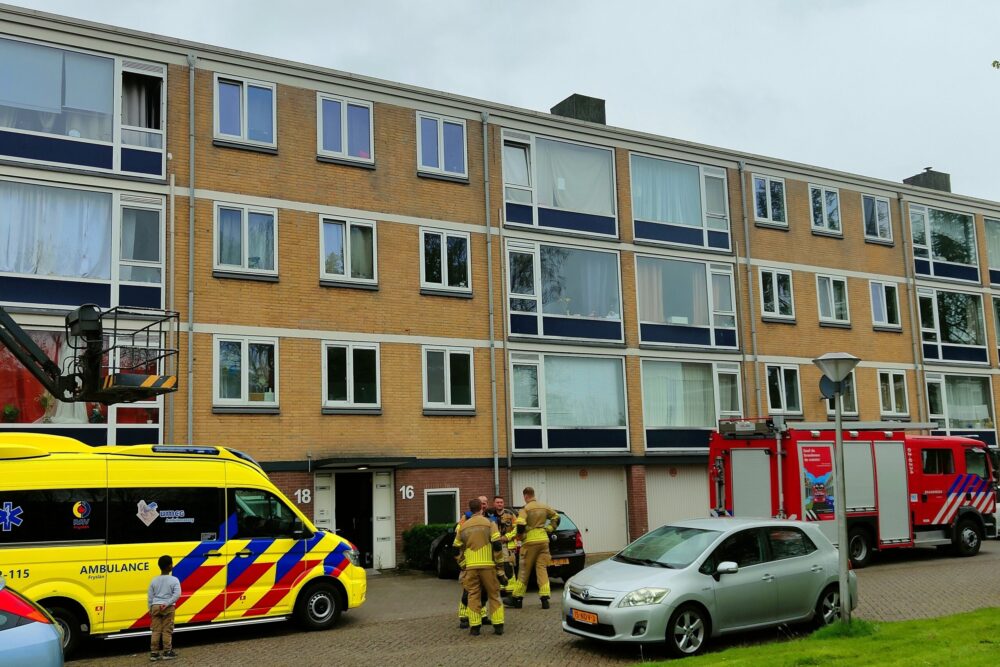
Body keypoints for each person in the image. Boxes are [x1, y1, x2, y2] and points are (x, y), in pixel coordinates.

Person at [453, 498, 505, 635]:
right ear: (482, 509)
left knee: (473, 595)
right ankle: (498, 624)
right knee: (493, 594)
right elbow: (497, 545)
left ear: (470, 510)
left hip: (471, 567)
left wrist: (463, 564)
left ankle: (475, 626)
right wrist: (499, 565)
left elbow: (456, 548)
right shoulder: (490, 523)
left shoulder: (463, 526)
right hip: (488, 565)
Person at [505, 486, 559, 609]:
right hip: (543, 540)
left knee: (524, 570)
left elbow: (520, 524)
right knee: (542, 569)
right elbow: (557, 517)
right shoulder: (544, 506)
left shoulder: (525, 509)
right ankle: (545, 599)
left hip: (530, 542)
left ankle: (517, 599)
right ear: (534, 495)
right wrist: (550, 528)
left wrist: (519, 536)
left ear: (526, 496)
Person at [148, 554, 181, 661]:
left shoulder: (154, 580)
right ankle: (167, 652)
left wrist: (150, 609)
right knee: (167, 630)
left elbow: (150, 596)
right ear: (170, 566)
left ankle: (154, 653)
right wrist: (167, 603)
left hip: (155, 606)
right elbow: (177, 595)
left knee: (156, 630)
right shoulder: (174, 580)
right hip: (168, 607)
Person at [486, 495, 518, 597]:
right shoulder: (489, 514)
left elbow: (517, 528)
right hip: (494, 546)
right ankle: (500, 588)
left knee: (508, 567)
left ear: (503, 503)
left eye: (501, 502)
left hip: (507, 545)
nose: (499, 504)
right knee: (496, 566)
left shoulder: (510, 514)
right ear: (493, 503)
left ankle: (511, 590)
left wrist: (507, 537)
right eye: (497, 502)